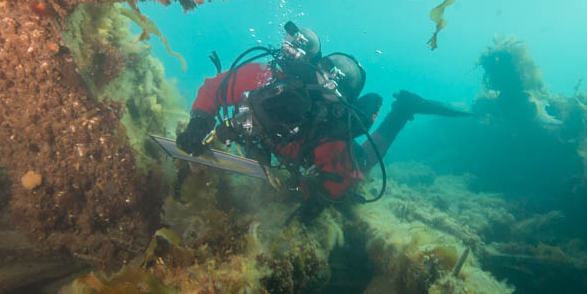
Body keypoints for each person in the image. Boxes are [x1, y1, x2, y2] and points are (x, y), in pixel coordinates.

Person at [174, 22, 469, 205]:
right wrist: (199, 120)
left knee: (366, 157)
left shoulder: (330, 133)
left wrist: (304, 190)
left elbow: (341, 184)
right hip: (278, 150)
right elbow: (214, 88)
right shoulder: (263, 77)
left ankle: (402, 111)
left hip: (316, 155)